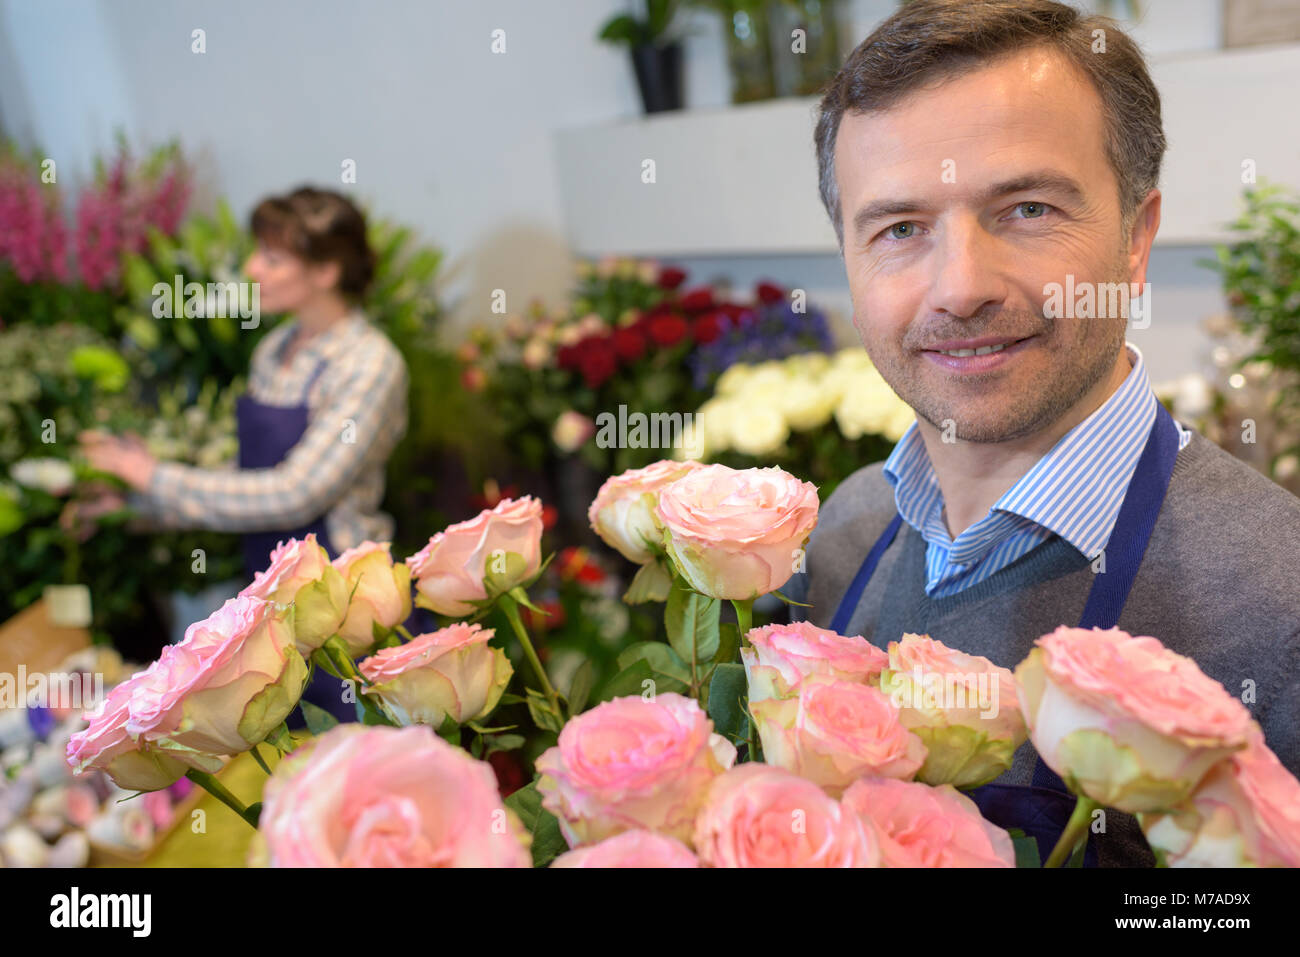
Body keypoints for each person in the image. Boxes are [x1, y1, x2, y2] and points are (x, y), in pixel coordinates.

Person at [783, 0, 1300, 866]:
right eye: (900, 229)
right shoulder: (845, 532)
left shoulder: (1278, 599)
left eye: (1026, 209)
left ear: (1136, 239)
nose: (960, 287)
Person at [79, 186, 409, 723]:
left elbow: (296, 492)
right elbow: (247, 481)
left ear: (326, 271)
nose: (252, 268)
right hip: (269, 604)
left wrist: (152, 475)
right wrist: (133, 507)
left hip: (343, 605)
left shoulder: (369, 364)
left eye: (273, 258)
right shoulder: (274, 351)